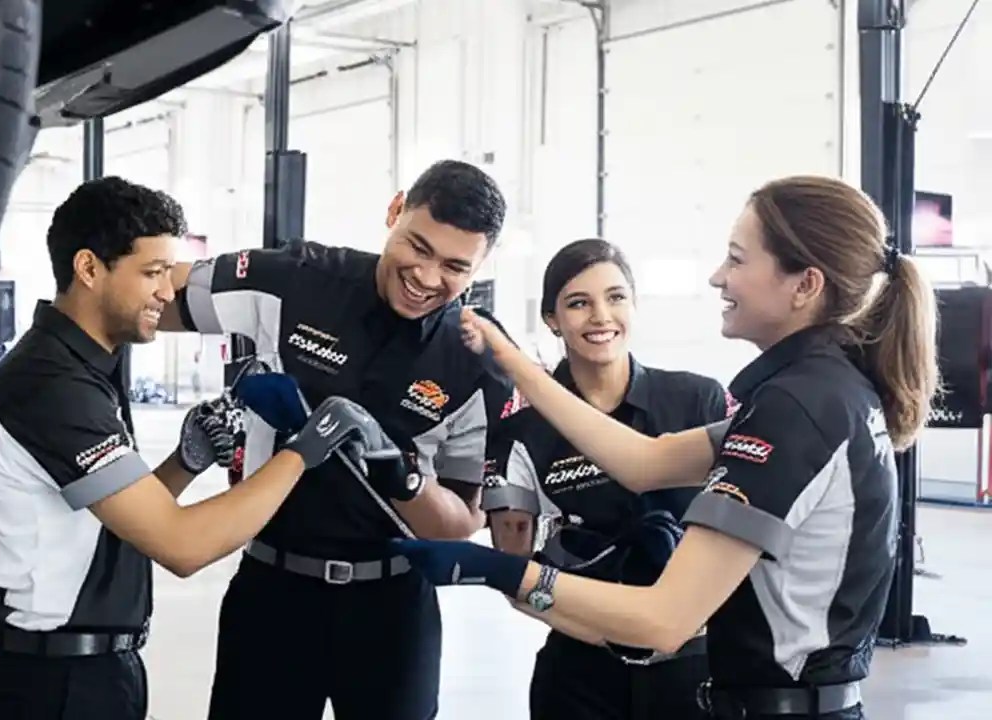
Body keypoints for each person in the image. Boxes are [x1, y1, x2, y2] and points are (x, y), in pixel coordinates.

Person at [394, 175, 939, 720]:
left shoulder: (794, 410)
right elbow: (644, 462)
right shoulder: (823, 391)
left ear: (805, 285)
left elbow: (665, 619)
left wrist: (499, 572)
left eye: (737, 259)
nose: (717, 277)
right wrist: (511, 360)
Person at [0, 177, 397, 720]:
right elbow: (182, 545)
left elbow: (109, 520)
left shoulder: (85, 365)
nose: (169, 292)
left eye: (170, 272)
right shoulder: (53, 385)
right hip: (56, 685)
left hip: (89, 672)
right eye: (152, 273)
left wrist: (183, 465)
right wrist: (304, 450)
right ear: (89, 268)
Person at [159, 159, 518, 720]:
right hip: (273, 592)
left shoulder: (478, 364)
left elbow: (459, 523)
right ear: (395, 210)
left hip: (392, 608)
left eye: (454, 266)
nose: (426, 278)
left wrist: (401, 472)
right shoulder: (297, 278)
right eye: (418, 248)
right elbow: (151, 295)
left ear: (482, 263)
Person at [483, 238, 728, 719]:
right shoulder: (520, 433)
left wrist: (671, 625)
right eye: (579, 303)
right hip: (581, 670)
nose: (601, 316)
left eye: (616, 297)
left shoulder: (699, 401)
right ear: (552, 319)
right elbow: (512, 574)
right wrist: (616, 633)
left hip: (696, 666)